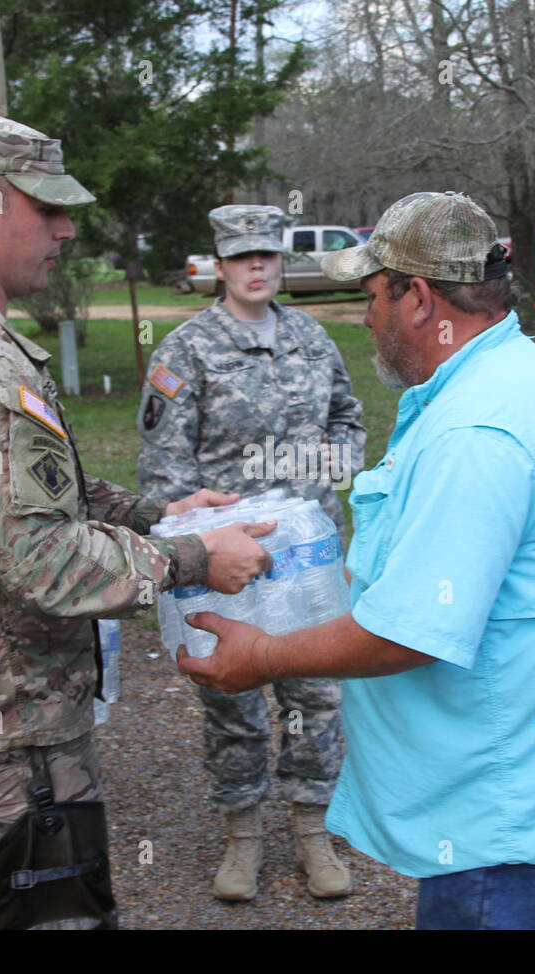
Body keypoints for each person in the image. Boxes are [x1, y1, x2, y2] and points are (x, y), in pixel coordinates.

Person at [178, 191, 535, 930]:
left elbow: (411, 630)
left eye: (372, 296)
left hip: (512, 809)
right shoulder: (496, 377)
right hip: (512, 787)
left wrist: (265, 654)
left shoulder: (478, 429)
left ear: (419, 298)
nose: (365, 317)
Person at [0, 109, 273, 930]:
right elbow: (40, 559)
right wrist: (194, 560)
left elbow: (11, 499)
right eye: (45, 206)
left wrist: (161, 512)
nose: (63, 228)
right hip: (8, 738)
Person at [137, 204, 366, 902]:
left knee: (316, 693)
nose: (258, 267)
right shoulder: (186, 350)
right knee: (230, 698)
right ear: (220, 263)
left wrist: (339, 462)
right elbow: (164, 470)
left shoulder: (312, 339)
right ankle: (241, 838)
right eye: (243, 257)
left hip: (306, 560)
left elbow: (348, 420)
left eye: (268, 254)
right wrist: (185, 558)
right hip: (226, 557)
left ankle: (311, 832)